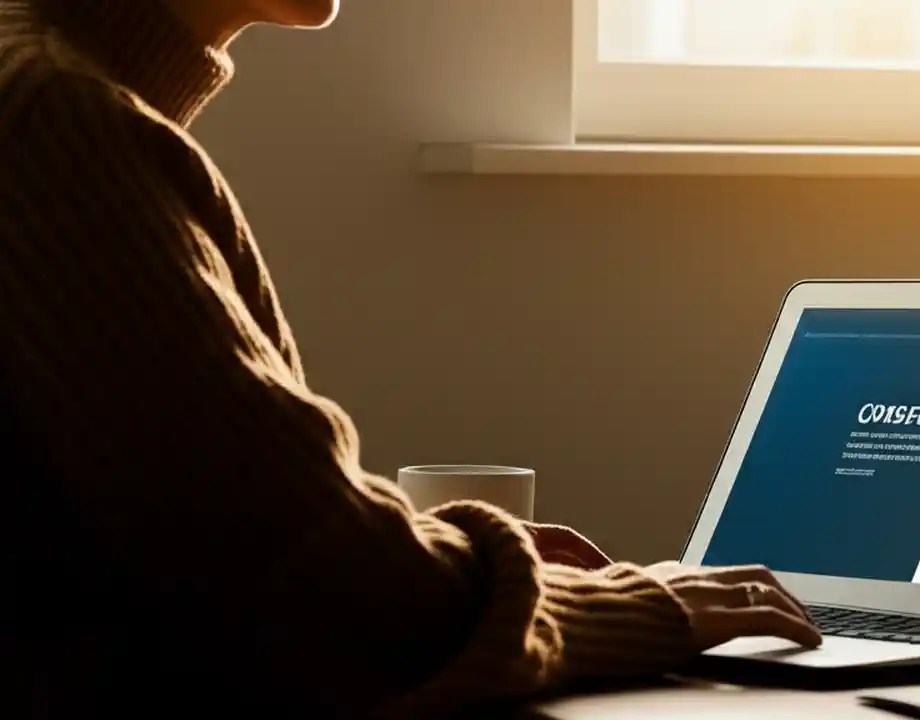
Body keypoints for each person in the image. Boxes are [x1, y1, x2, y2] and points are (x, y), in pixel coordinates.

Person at [0, 0, 820, 715]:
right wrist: (633, 609)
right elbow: (336, 595)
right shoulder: (59, 123)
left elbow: (211, 538)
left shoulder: (54, 91)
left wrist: (453, 557)